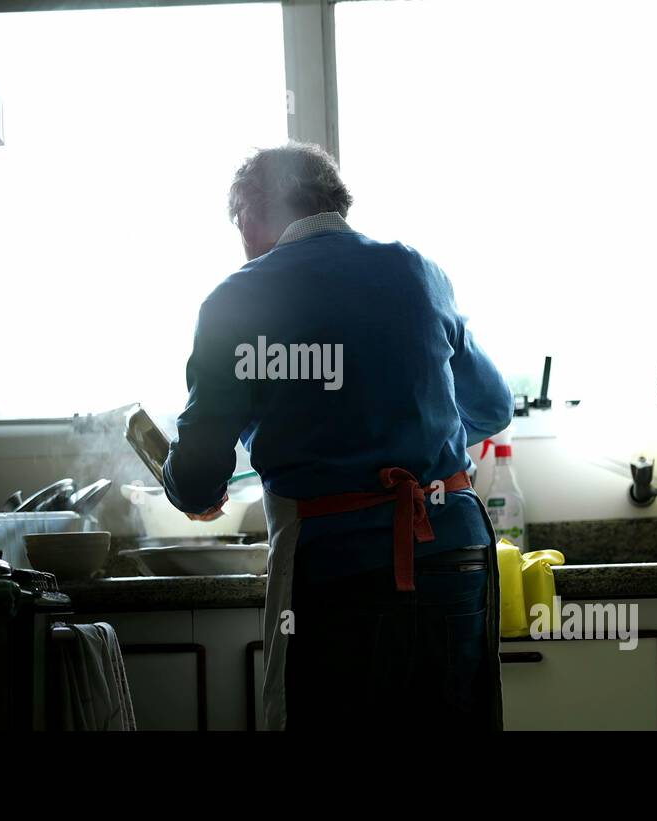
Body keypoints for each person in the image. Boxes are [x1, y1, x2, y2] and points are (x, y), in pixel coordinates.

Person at [163, 142, 514, 730]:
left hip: (338, 570)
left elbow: (199, 475)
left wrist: (185, 485)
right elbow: (493, 407)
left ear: (251, 215)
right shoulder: (417, 270)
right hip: (456, 555)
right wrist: (417, 438)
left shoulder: (238, 299)